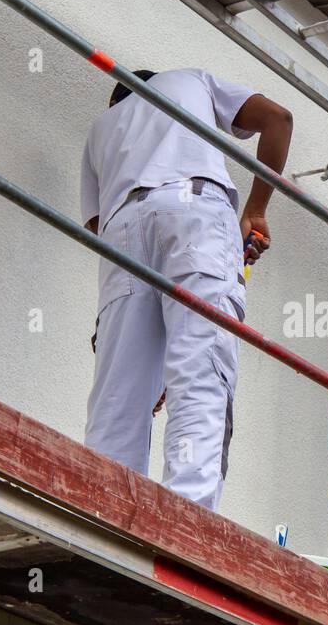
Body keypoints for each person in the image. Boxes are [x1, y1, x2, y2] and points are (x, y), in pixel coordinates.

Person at [81, 68, 293, 510]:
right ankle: (186, 524)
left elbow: (100, 230)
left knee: (119, 394)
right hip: (194, 211)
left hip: (122, 227)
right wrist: (254, 210)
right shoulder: (188, 80)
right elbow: (279, 119)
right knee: (199, 373)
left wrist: (140, 347)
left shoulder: (100, 132)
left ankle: (101, 515)